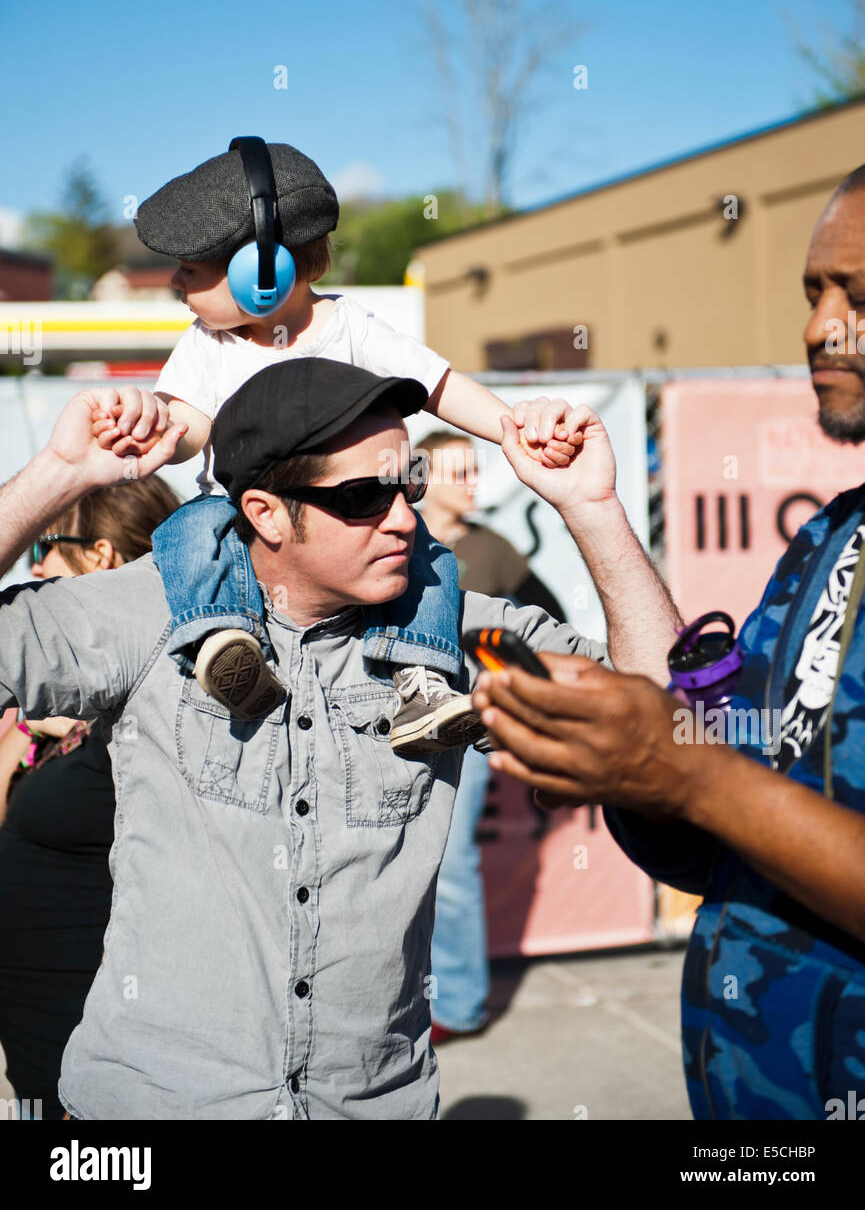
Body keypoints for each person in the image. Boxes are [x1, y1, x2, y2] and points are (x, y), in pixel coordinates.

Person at [0, 360, 677, 1119]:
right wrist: (59, 474)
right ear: (264, 512)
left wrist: (592, 508)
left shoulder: (449, 629)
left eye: (407, 485)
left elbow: (664, 721)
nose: (403, 520)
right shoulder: (150, 611)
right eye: (361, 498)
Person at [470, 167, 865, 1121]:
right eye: (812, 291)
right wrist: (596, 517)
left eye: (860, 295)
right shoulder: (836, 533)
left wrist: (684, 776)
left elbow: (710, 781)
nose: (820, 326)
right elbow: (722, 765)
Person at [114, 136, 582, 752]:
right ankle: (226, 645)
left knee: (431, 561)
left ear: (262, 271)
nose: (175, 279)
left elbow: (439, 386)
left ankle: (422, 680)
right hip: (241, 516)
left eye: (191, 269)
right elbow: (190, 419)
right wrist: (160, 428)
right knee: (188, 531)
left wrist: (512, 427)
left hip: (352, 522)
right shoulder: (207, 343)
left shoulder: (352, 329)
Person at [0, 475, 179, 1120]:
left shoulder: (160, 698)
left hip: (90, 1051)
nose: (37, 565)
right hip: (39, 1027)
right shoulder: (64, 702)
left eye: (45, 545)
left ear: (99, 557)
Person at [417, 429, 564, 1044]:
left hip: (466, 729)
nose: (474, 481)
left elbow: (551, 624)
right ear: (419, 478)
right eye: (459, 472)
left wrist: (496, 680)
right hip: (391, 724)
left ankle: (461, 1005)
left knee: (450, 865)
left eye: (475, 469)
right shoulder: (396, 538)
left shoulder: (492, 548)